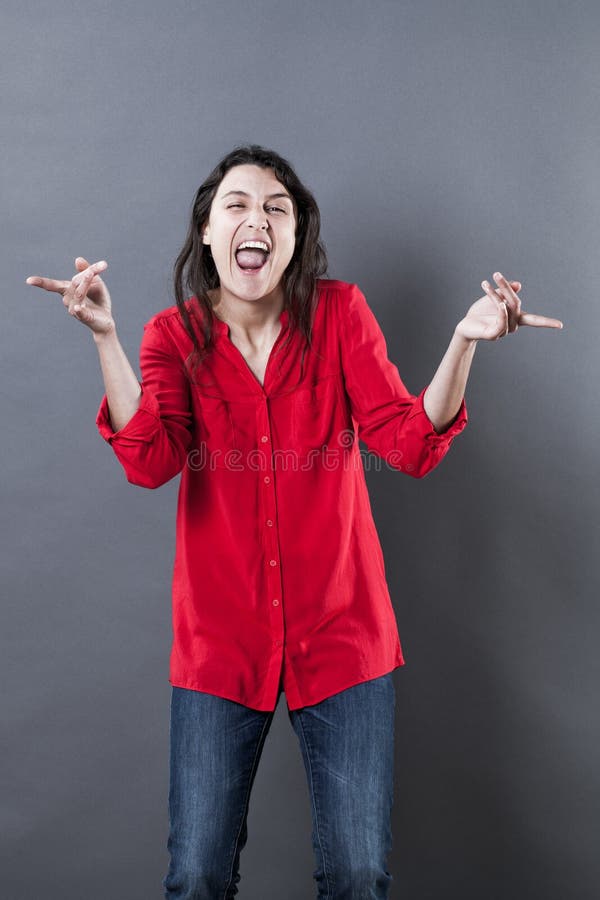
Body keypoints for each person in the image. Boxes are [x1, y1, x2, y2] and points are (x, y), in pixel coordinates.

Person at [25, 144, 563, 899]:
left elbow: (408, 444)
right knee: (198, 874)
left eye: (277, 208)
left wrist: (463, 344)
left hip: (344, 638)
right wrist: (105, 340)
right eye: (237, 206)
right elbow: (149, 460)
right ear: (209, 235)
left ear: (297, 235)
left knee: (356, 873)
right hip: (219, 644)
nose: (258, 219)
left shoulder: (341, 315)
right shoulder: (170, 338)